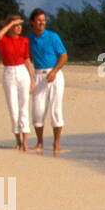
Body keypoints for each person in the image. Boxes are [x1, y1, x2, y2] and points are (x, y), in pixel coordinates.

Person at [26, 8, 68, 154]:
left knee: (56, 110)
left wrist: (55, 71)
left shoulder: (53, 37)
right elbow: (26, 58)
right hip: (38, 75)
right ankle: (39, 142)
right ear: (32, 22)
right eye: (39, 20)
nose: (42, 23)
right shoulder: (29, 39)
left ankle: (56, 144)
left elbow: (63, 56)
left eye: (43, 20)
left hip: (55, 75)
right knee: (37, 111)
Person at [0, 14, 32, 150]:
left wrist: (32, 80)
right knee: (13, 109)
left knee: (24, 108)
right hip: (9, 72)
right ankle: (18, 140)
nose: (19, 28)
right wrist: (10, 24)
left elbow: (27, 59)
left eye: (20, 25)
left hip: (22, 72)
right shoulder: (4, 40)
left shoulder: (24, 40)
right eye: (16, 26)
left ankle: (25, 141)